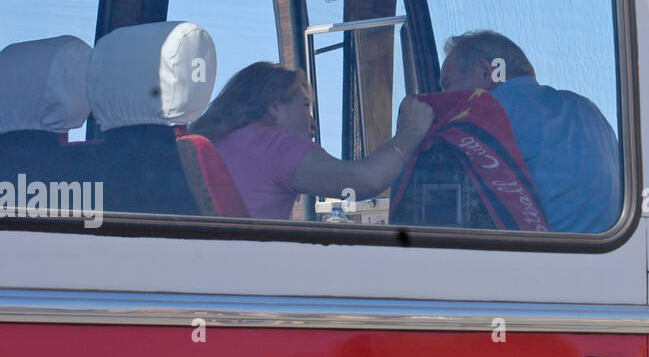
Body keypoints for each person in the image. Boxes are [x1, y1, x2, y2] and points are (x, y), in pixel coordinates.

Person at [190, 62, 434, 220]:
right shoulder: (276, 145)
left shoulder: (213, 140)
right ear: (275, 106)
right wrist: (410, 133)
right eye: (305, 106)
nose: (312, 122)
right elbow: (364, 181)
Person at [437, 31, 621, 233]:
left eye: (448, 84)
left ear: (485, 71)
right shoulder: (585, 108)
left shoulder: (484, 119)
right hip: (604, 257)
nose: (443, 98)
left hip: (538, 257)